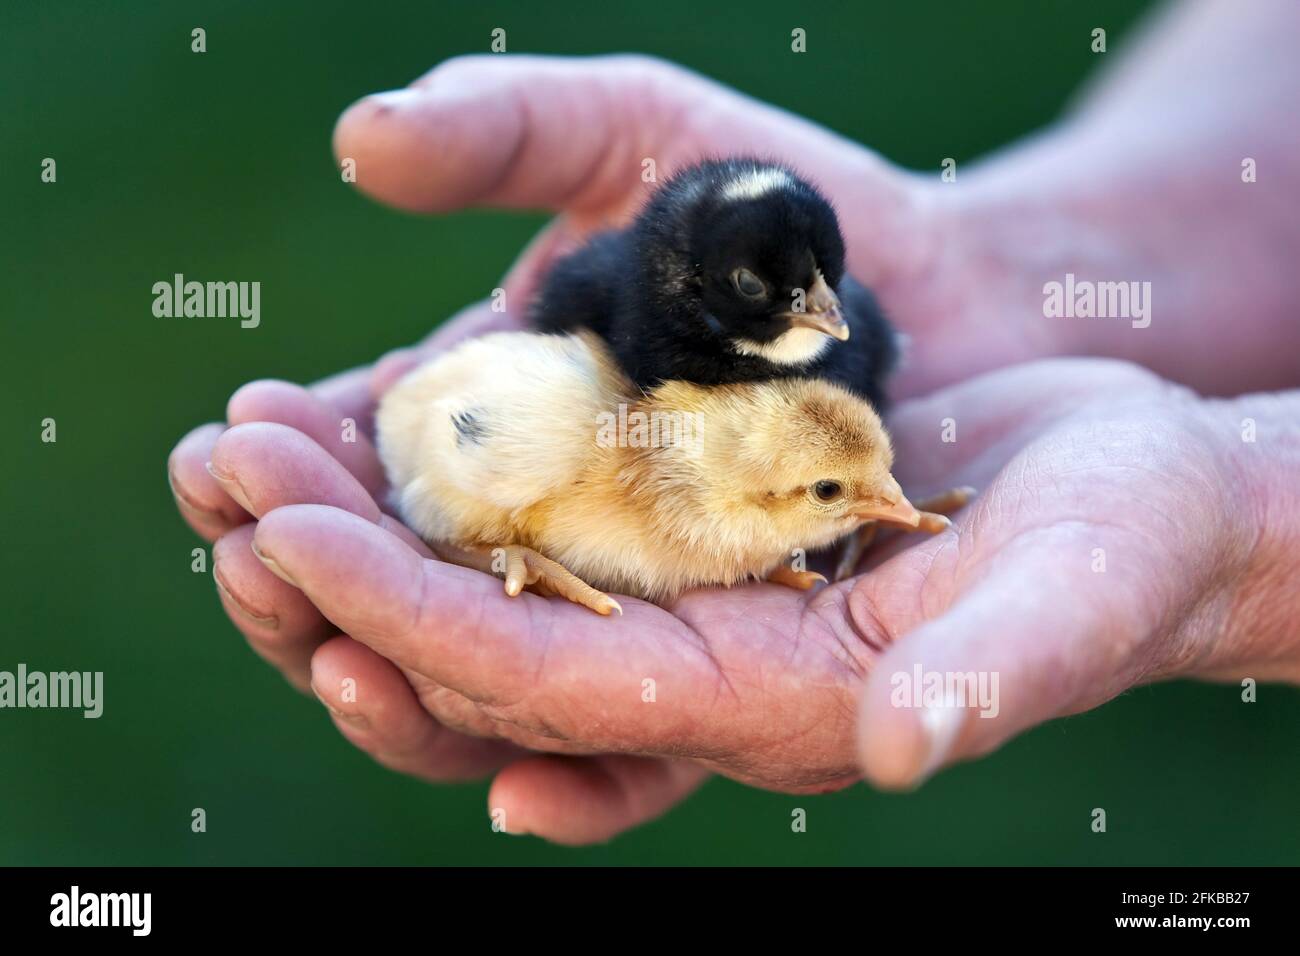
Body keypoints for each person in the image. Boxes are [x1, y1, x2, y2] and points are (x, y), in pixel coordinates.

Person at [169, 0, 1300, 844]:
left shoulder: (843, 335)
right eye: (787, 291)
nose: (823, 308)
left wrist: (1246, 508)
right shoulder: (605, 321)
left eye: (827, 277)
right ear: (691, 295)